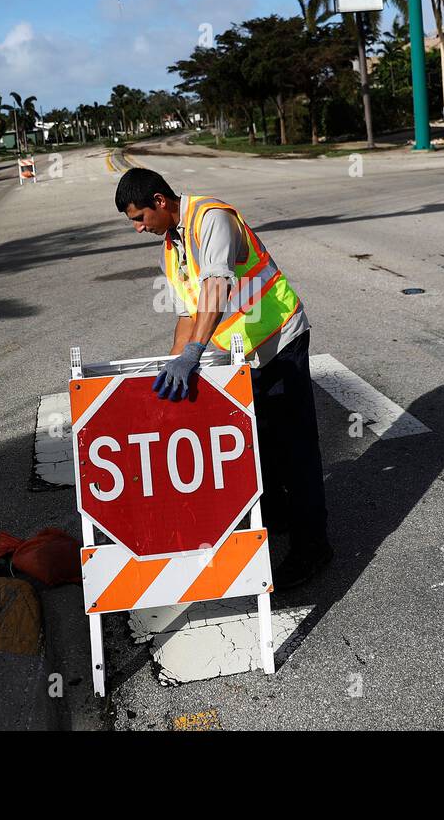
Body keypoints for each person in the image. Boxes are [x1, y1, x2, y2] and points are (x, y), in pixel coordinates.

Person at [115, 167, 331, 589]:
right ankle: (280, 518)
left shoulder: (211, 218)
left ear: (160, 201)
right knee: (262, 446)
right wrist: (172, 366)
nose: (139, 229)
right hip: (244, 355)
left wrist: (195, 352)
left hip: (278, 341)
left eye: (139, 218)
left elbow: (216, 283)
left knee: (297, 450)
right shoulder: (172, 245)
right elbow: (186, 313)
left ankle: (314, 548)